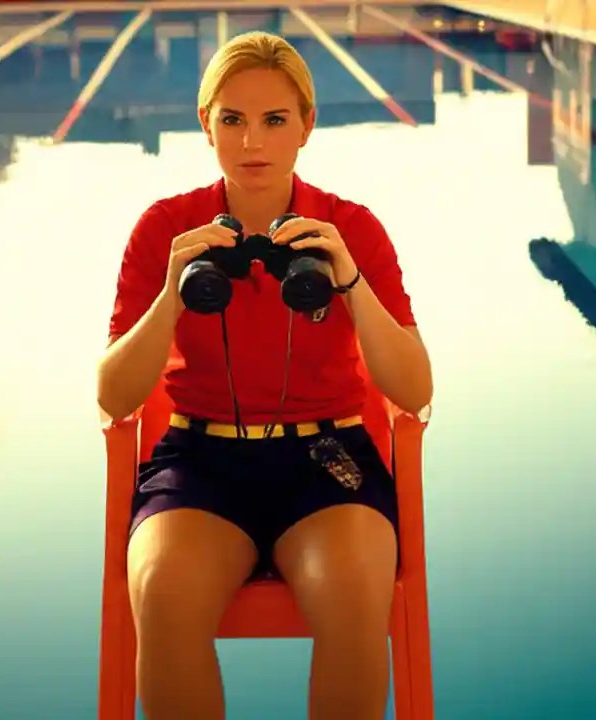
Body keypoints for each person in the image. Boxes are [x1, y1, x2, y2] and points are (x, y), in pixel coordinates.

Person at [96, 30, 432, 720]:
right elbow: (113, 394)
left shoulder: (351, 227)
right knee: (162, 589)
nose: (253, 142)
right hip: (200, 461)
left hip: (327, 458)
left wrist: (349, 280)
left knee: (353, 591)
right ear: (206, 125)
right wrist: (170, 293)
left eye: (275, 120)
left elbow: (416, 390)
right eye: (233, 120)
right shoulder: (165, 226)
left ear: (307, 126)